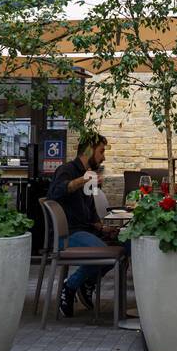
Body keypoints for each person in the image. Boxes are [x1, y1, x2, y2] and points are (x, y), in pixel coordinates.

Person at [48, 132, 125, 318]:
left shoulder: (88, 174)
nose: (103, 156)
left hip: (86, 231)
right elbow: (55, 192)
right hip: (67, 235)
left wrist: (102, 227)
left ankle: (87, 282)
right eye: (101, 151)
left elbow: (89, 212)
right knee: (102, 251)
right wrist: (83, 180)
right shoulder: (67, 170)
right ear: (89, 150)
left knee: (125, 245)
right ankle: (70, 286)